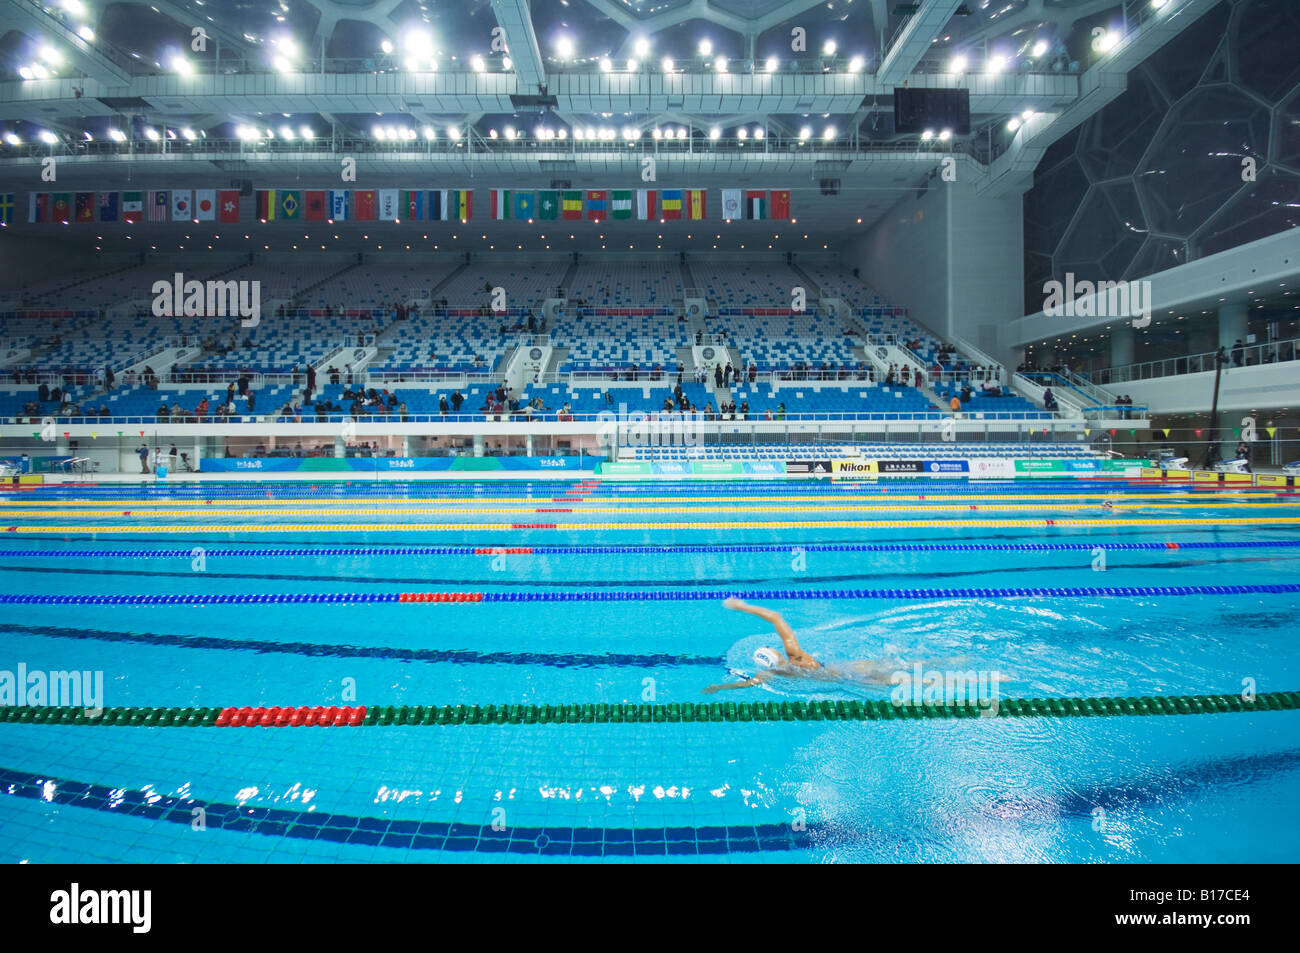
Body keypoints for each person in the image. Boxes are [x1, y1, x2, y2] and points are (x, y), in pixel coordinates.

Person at [703, 599, 990, 693]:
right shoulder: (795, 655)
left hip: (846, 677)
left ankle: (979, 676)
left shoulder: (775, 674)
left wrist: (719, 687)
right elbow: (777, 617)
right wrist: (741, 606)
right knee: (911, 672)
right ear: (775, 652)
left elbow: (748, 684)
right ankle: (962, 662)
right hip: (851, 672)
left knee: (912, 679)